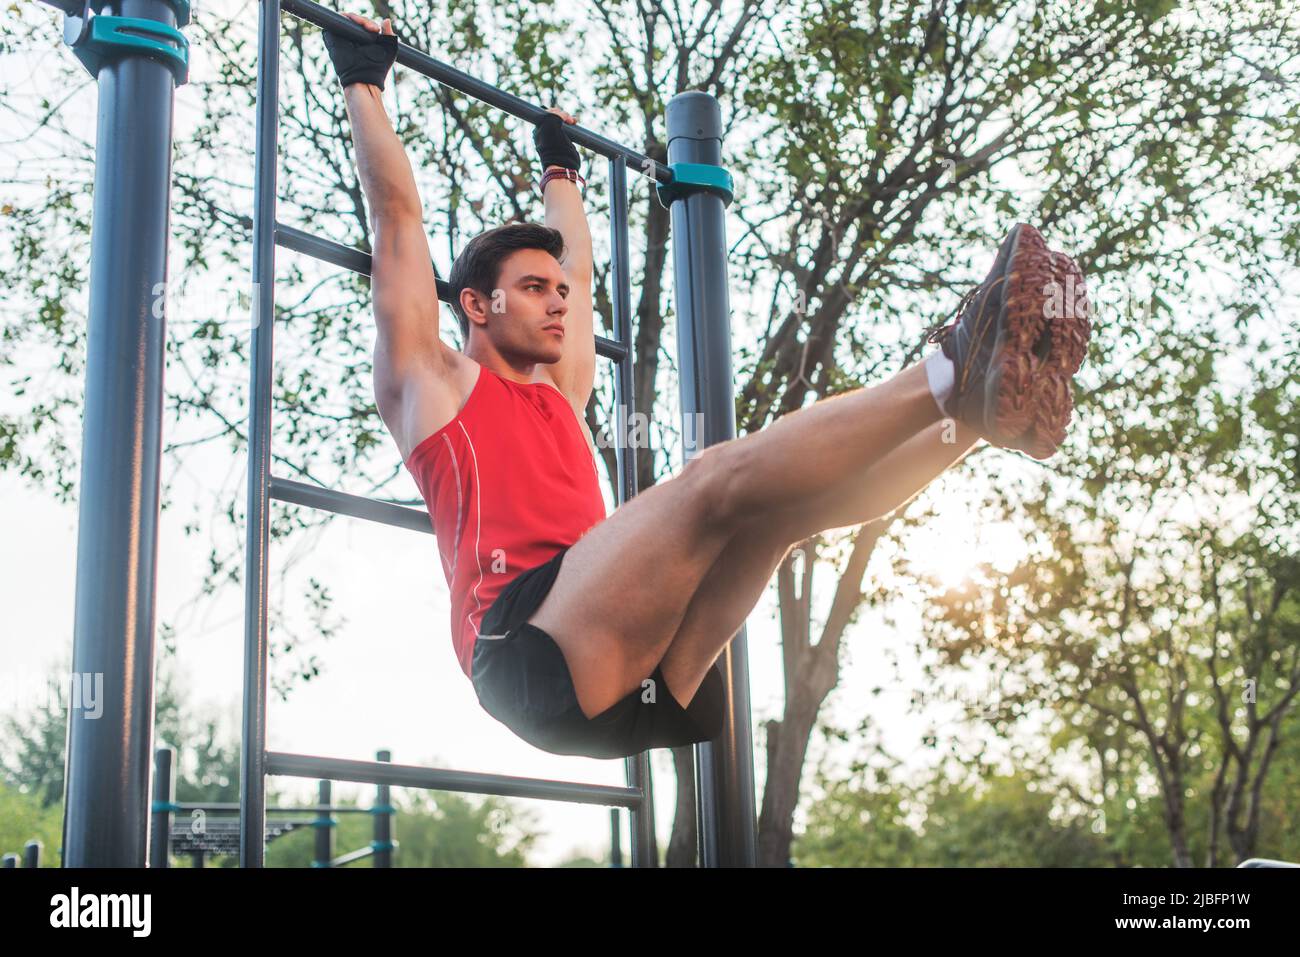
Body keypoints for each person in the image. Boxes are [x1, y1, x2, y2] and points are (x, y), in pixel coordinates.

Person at [323, 14, 1091, 760]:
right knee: (715, 481)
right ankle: (957, 363)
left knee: (780, 514)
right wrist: (363, 81)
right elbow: (397, 218)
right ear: (475, 306)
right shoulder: (431, 384)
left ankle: (975, 417)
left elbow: (581, 270)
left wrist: (562, 168)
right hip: (530, 650)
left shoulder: (561, 393)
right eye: (532, 288)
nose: (559, 301)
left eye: (556, 289)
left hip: (641, 674)